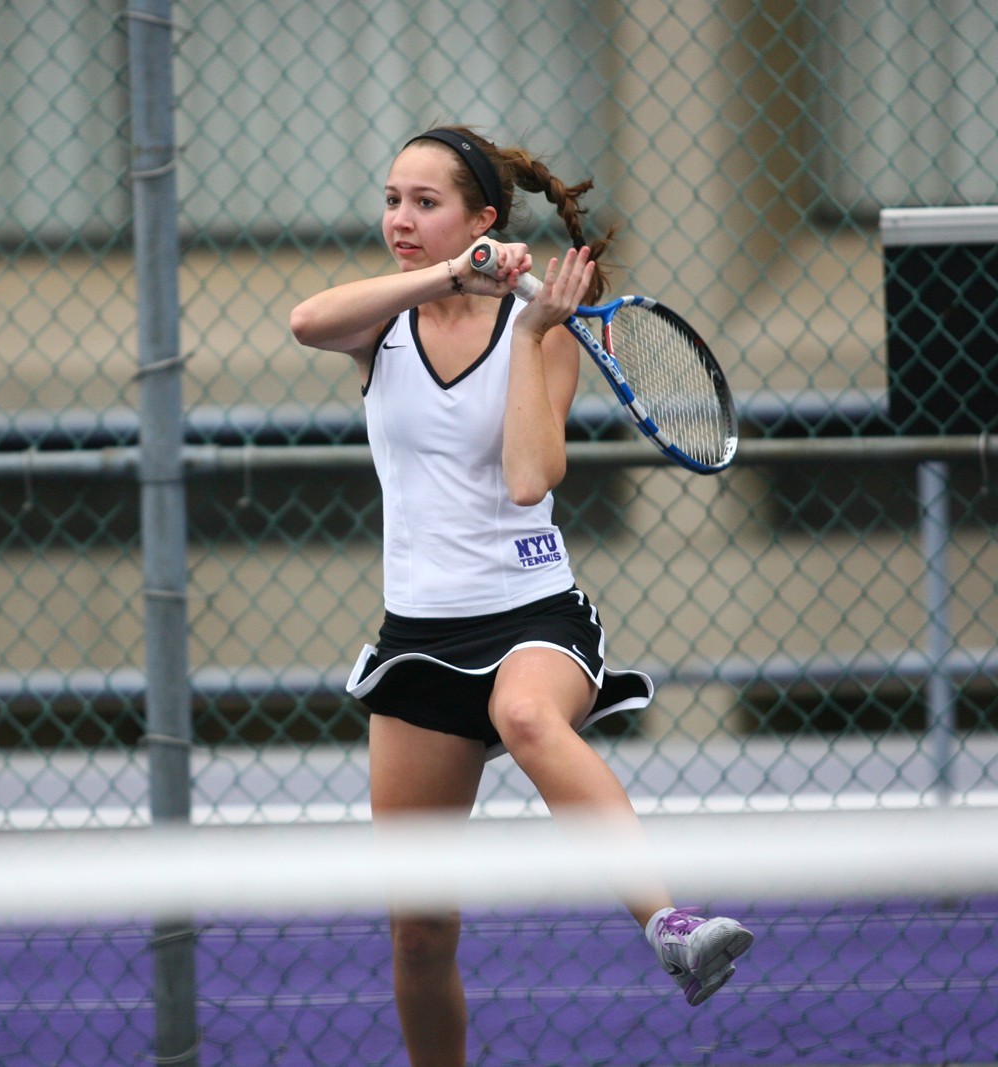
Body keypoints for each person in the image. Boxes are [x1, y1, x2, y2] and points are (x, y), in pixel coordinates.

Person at [289, 126, 753, 1066]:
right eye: (393, 200)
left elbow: (532, 476)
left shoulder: (539, 331)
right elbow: (305, 321)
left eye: (427, 203)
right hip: (418, 635)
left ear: (484, 217)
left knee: (529, 716)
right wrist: (446, 275)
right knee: (419, 933)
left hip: (533, 616)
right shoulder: (381, 322)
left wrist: (535, 329)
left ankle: (670, 922)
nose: (401, 219)